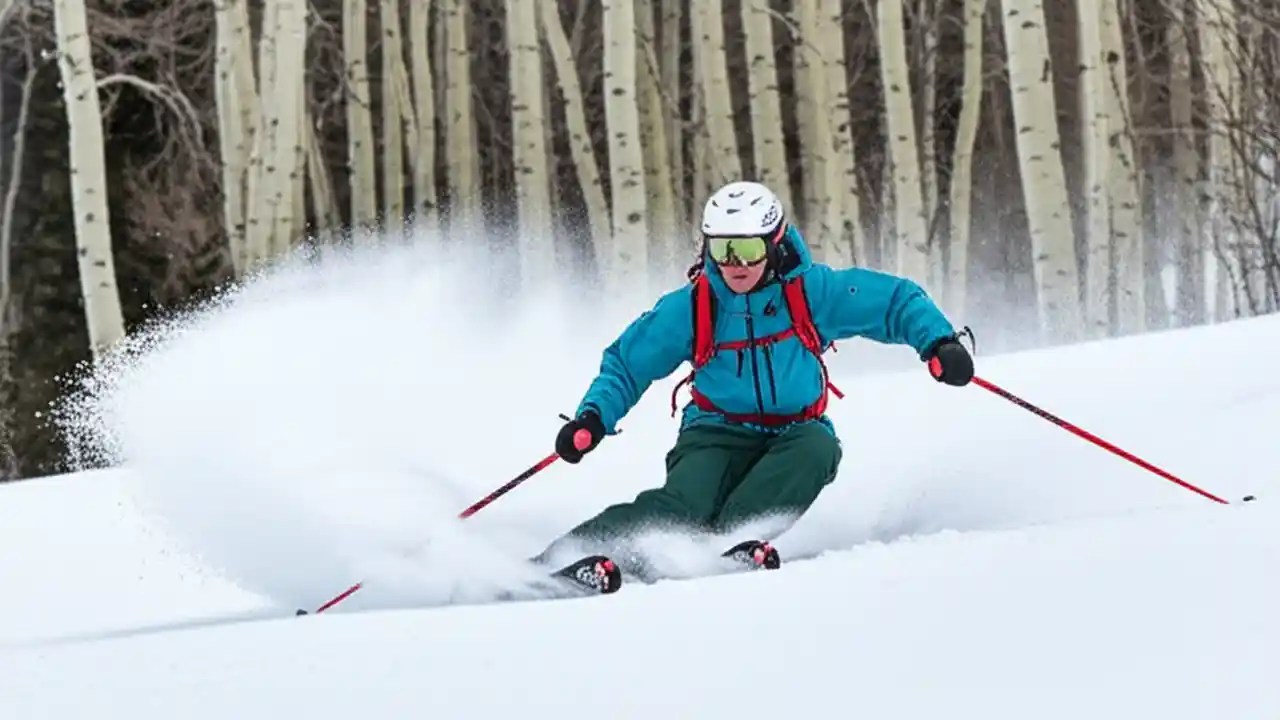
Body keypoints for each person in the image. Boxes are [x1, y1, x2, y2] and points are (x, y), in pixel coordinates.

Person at [537, 181, 973, 589]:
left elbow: (894, 301)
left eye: (746, 248)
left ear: (774, 242)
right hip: (714, 433)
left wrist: (938, 342)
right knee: (683, 509)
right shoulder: (695, 305)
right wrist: (593, 417)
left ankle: (722, 548)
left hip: (794, 433)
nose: (736, 264)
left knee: (817, 450)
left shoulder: (811, 292)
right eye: (723, 249)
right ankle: (561, 561)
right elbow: (627, 364)